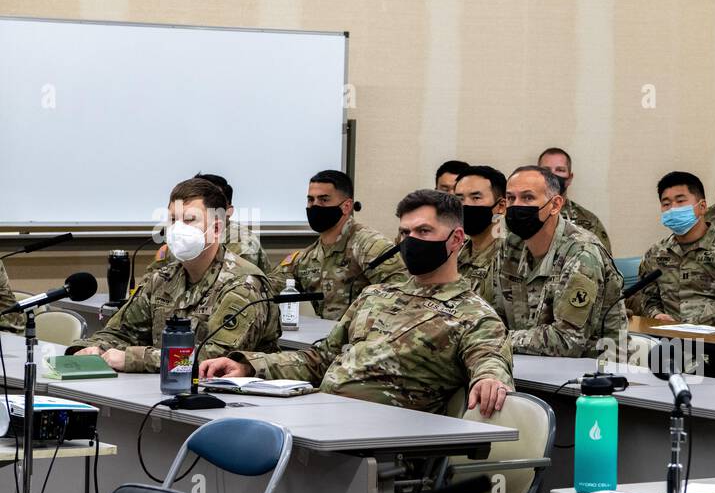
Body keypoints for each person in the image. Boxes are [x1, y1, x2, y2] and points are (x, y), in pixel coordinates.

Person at [200, 189, 512, 417]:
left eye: (424, 231)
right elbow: (320, 359)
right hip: (324, 414)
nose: (410, 240)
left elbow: (489, 359)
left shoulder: (473, 314)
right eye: (404, 232)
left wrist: (490, 378)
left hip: (385, 440)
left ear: (456, 239)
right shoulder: (376, 295)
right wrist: (247, 365)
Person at [69, 178, 280, 372]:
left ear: (216, 228)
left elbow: (214, 357)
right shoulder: (162, 278)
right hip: (163, 389)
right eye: (172, 220)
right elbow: (121, 332)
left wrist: (135, 359)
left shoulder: (244, 284)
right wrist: (93, 348)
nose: (178, 229)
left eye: (189, 220)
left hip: (230, 398)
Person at [487, 166, 626, 357]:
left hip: (594, 373)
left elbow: (567, 341)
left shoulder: (582, 253)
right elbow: (494, 315)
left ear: (555, 205)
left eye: (528, 197)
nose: (516, 205)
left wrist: (497, 340)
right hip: (526, 365)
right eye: (511, 198)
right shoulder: (511, 245)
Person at [269, 170, 406, 319]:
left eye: (324, 200)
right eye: (310, 200)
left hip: (363, 337)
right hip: (324, 338)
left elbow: (402, 296)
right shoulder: (307, 257)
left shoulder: (370, 246)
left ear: (346, 206)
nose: (315, 206)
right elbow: (268, 289)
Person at [631, 171, 715, 328]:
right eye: (666, 204)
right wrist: (656, 315)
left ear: (702, 206)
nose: (673, 209)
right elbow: (646, 299)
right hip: (667, 340)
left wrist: (684, 327)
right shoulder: (655, 253)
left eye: (680, 201)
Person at [142, 173, 268, 276]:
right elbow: (153, 276)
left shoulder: (241, 239)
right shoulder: (179, 236)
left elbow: (232, 277)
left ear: (227, 210)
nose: (180, 226)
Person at [538, 147, 612, 252]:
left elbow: (604, 264)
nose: (552, 175)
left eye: (560, 170)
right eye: (546, 170)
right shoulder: (524, 215)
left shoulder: (589, 221)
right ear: (535, 175)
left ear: (569, 178)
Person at [452, 164, 507, 297]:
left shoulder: (512, 257)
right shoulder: (454, 251)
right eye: (460, 199)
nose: (466, 205)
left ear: (501, 206)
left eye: (476, 198)